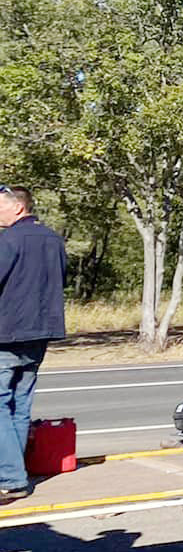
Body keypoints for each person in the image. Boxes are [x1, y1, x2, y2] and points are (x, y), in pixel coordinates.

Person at [0, 183, 66, 504]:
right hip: (40, 334)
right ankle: (16, 471)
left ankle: (12, 478)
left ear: (18, 207)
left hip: (7, 335)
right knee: (19, 404)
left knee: (2, 404)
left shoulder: (9, 240)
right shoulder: (53, 240)